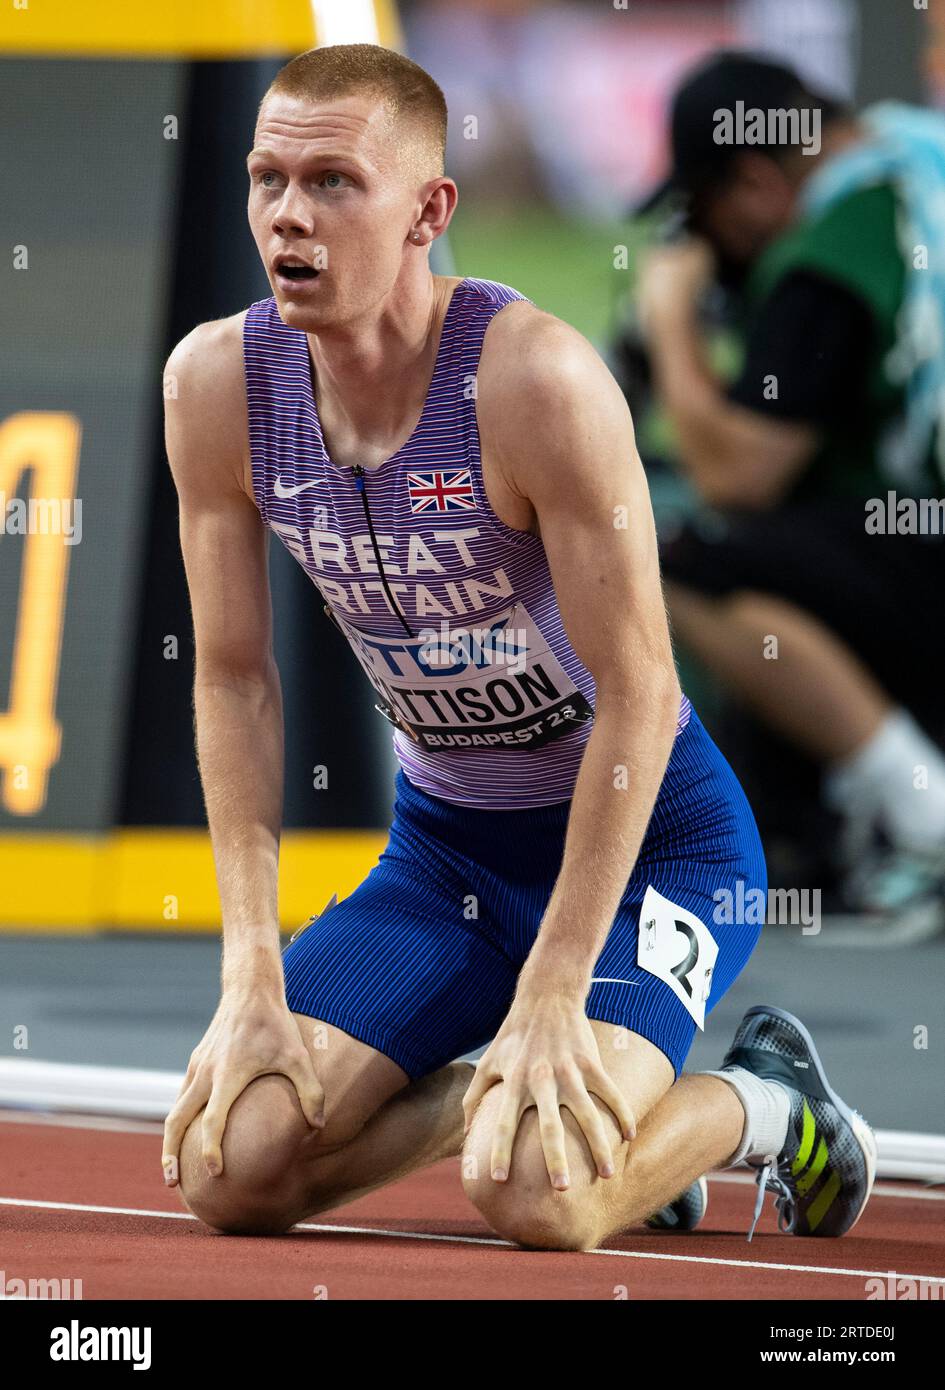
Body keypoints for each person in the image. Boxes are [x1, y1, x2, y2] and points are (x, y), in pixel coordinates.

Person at [159, 43, 873, 1250]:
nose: (289, 215)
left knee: (540, 1197)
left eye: (335, 182)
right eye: (267, 178)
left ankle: (769, 1106)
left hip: (657, 844)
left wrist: (557, 975)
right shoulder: (218, 384)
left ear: (430, 210)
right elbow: (234, 677)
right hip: (448, 857)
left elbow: (642, 692)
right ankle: (529, 1103)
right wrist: (249, 974)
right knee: (234, 1165)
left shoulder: (530, 379)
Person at [635, 52, 945, 926]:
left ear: (756, 179)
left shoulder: (834, 243)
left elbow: (740, 474)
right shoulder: (915, 158)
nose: (706, 243)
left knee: (675, 559)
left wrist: (668, 322)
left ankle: (922, 811)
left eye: (702, 215)